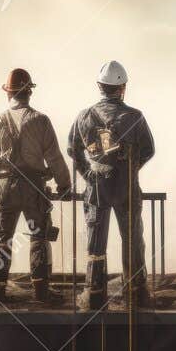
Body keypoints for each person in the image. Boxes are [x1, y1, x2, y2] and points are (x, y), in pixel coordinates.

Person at [0, 68, 70, 304]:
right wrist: (64, 185)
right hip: (33, 187)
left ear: (8, 94)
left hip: (4, 189)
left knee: (2, 238)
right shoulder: (40, 120)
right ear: (29, 93)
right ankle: (41, 292)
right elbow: (54, 158)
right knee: (38, 236)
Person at [67, 60, 156, 311]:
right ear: (123, 87)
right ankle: (136, 295)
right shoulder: (135, 117)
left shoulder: (84, 116)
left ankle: (94, 295)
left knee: (96, 242)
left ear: (99, 86)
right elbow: (148, 150)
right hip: (126, 186)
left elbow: (73, 150)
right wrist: (130, 169)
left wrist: (88, 173)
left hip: (97, 186)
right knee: (132, 239)